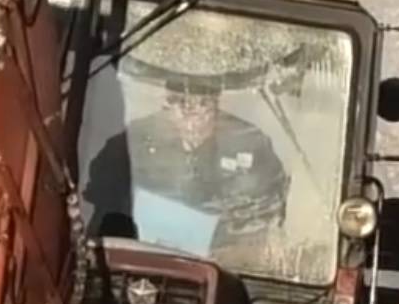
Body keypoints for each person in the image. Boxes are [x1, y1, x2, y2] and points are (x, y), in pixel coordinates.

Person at [84, 77, 290, 255]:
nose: (192, 116)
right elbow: (100, 211)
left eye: (203, 104)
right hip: (141, 262)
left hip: (224, 269)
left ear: (217, 103)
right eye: (182, 103)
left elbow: (268, 214)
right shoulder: (131, 143)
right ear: (167, 103)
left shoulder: (250, 144)